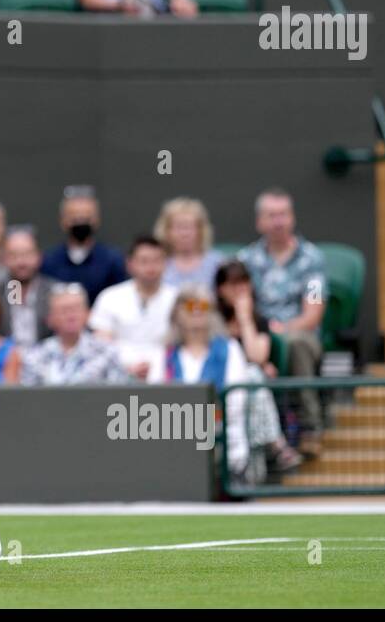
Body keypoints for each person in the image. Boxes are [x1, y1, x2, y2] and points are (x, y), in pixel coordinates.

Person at [165, 285, 296, 485]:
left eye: (204, 305)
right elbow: (157, 398)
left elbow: (235, 402)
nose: (198, 311)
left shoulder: (230, 348)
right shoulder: (165, 354)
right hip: (175, 435)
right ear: (177, 313)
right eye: (190, 305)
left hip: (223, 436)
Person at [236, 188, 327, 455]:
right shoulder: (246, 260)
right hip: (257, 333)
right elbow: (241, 303)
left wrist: (282, 330)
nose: (278, 221)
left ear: (292, 218)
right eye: (271, 215)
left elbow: (313, 313)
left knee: (295, 343)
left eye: (283, 214)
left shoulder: (312, 259)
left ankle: (311, 428)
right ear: (259, 222)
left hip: (299, 334)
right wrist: (262, 331)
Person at [89, 236, 179, 382]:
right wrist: (125, 367)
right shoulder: (109, 297)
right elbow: (101, 344)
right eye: (144, 261)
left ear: (165, 264)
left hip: (167, 376)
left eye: (157, 260)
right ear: (130, 264)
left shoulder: (177, 298)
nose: (151, 267)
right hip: (117, 377)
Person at [21, 284, 129, 385]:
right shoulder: (35, 355)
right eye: (63, 311)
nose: (71, 316)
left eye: (76, 309)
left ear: (88, 314)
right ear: (50, 318)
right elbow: (28, 399)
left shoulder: (107, 352)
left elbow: (118, 394)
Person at [39, 184, 129, 305]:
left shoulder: (113, 261)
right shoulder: (48, 262)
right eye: (74, 217)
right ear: (63, 221)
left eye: (87, 217)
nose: (80, 221)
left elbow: (122, 300)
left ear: (97, 220)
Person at [0, 225, 52, 349]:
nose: (21, 262)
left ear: (39, 256)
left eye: (27, 254)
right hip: (6, 362)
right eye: (14, 255)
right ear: (3, 259)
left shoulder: (54, 293)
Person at [155, 196, 223, 291]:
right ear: (166, 231)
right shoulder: (156, 263)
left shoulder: (217, 264)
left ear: (201, 231)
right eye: (179, 227)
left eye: (190, 227)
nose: (184, 234)